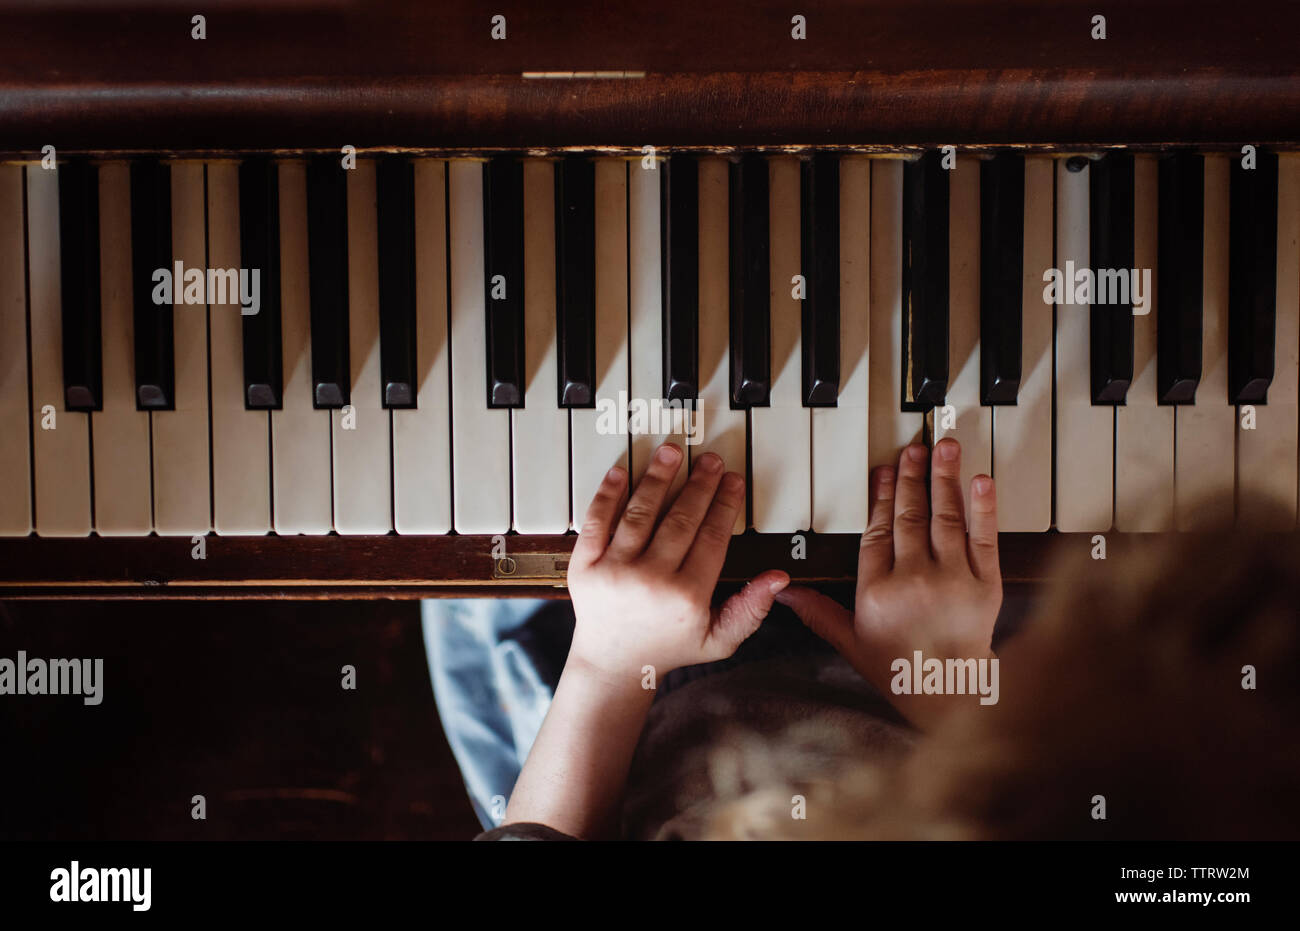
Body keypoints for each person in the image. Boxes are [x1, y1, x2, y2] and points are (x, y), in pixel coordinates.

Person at [424, 439, 1300, 840]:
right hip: (953, 683)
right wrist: (959, 692)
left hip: (638, 731)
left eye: (1092, 631)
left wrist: (613, 661)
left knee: (488, 539)